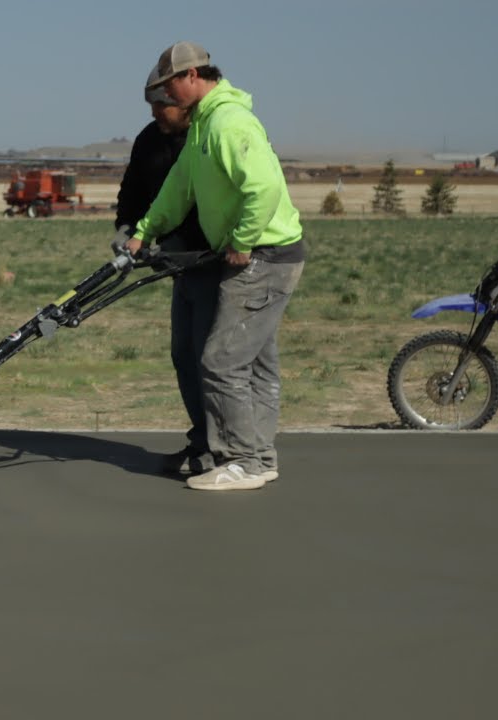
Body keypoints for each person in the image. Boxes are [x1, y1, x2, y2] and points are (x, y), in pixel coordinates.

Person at [127, 42, 305, 491]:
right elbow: (178, 187)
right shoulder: (205, 126)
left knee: (221, 361)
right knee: (256, 364)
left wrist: (242, 241)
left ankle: (243, 460)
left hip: (265, 256)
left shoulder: (229, 122)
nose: (165, 98)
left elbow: (262, 189)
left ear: (190, 76)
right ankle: (260, 456)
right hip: (263, 255)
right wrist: (144, 230)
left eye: (168, 86)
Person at [115, 64, 219, 478]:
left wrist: (176, 245)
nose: (157, 113)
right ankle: (201, 441)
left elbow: (204, 203)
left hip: (211, 261)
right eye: (152, 106)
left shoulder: (203, 137)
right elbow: (133, 192)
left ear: (181, 103)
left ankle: (224, 448)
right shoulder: (148, 140)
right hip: (176, 265)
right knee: (183, 354)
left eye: (163, 105)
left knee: (210, 357)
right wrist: (126, 231)